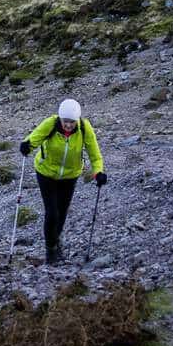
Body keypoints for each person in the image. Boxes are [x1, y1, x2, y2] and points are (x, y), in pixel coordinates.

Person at [19, 98, 106, 264]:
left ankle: (56, 242)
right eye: (65, 122)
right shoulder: (50, 124)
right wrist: (27, 145)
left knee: (62, 213)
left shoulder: (85, 128)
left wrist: (99, 173)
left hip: (70, 176)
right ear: (60, 119)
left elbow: (95, 155)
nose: (68, 125)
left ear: (77, 120)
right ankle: (50, 250)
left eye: (72, 122)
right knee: (52, 212)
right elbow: (35, 138)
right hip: (46, 173)